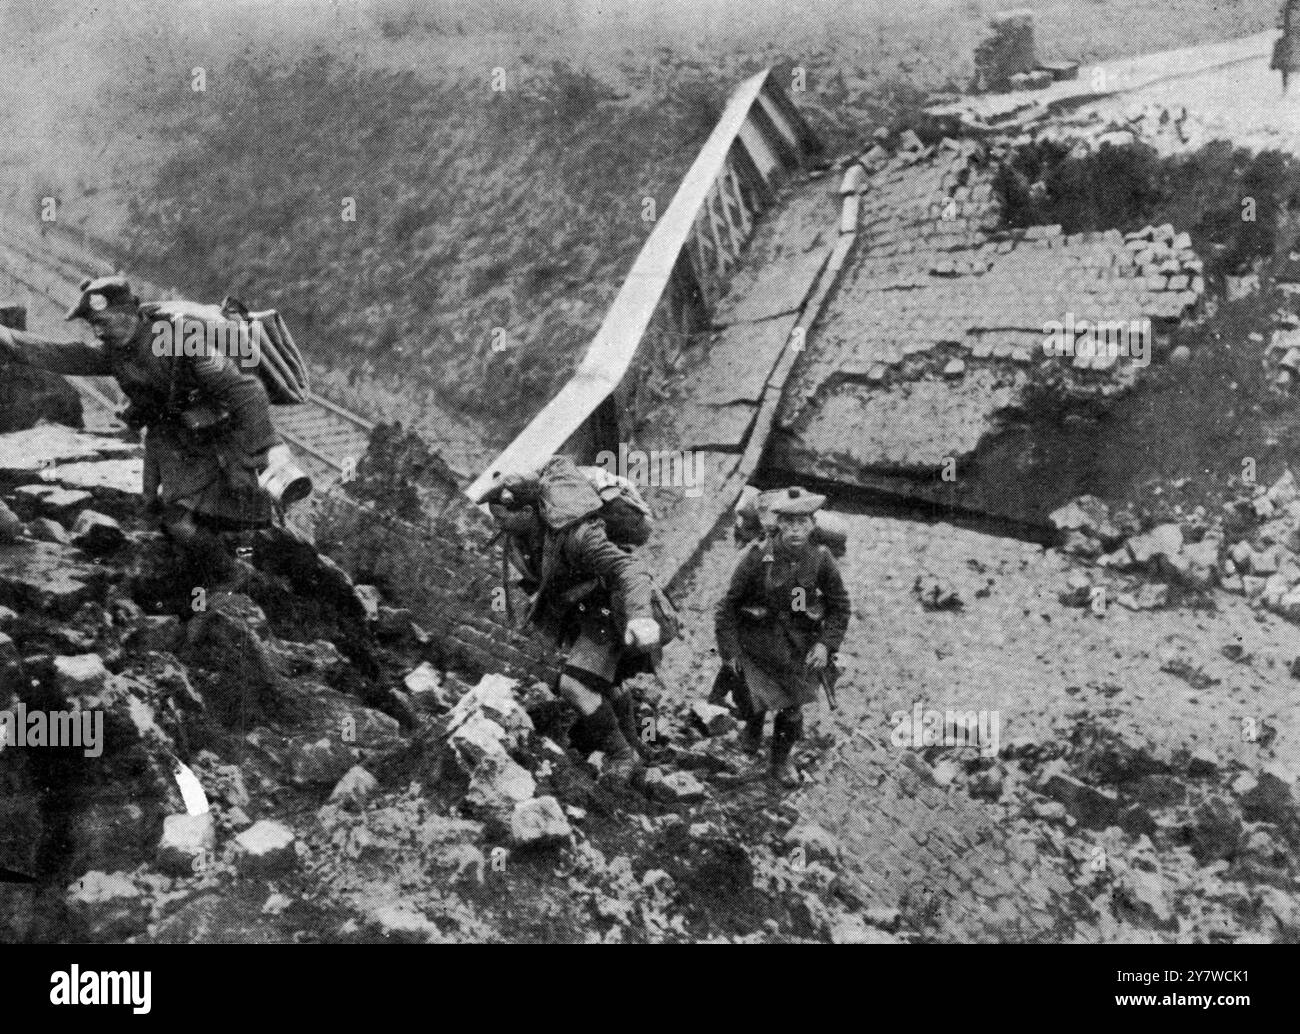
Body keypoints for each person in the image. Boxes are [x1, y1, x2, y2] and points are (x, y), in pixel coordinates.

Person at [0, 275, 280, 590]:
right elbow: (64, 354)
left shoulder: (180, 341)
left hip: (219, 440)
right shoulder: (115, 351)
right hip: (172, 441)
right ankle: (213, 571)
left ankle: (232, 576)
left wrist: (250, 458)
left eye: (105, 322)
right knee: (168, 514)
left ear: (130, 312)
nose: (100, 332)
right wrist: (8, 338)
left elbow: (248, 392)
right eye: (95, 325)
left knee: (193, 520)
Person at [486, 456, 665, 782]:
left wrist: (641, 617)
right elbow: (534, 580)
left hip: (611, 607)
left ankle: (620, 755)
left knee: (574, 685)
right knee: (603, 684)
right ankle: (636, 745)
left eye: (502, 519)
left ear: (528, 513)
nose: (498, 527)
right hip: (578, 612)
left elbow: (630, 570)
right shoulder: (518, 539)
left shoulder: (578, 534)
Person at [715, 486, 850, 787]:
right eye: (788, 523)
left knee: (791, 708)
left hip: (798, 648)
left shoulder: (821, 559)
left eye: (802, 523)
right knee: (753, 698)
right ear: (777, 523)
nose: (795, 530)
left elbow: (840, 607)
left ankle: (780, 761)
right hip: (757, 643)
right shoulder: (756, 556)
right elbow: (726, 608)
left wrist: (826, 645)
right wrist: (731, 653)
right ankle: (751, 732)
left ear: (813, 524)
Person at [1274, 0, 1300, 94]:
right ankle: (1285, 88)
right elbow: (1280, 16)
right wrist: (1280, 22)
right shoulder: (1287, 3)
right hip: (1289, 37)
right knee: (1285, 63)